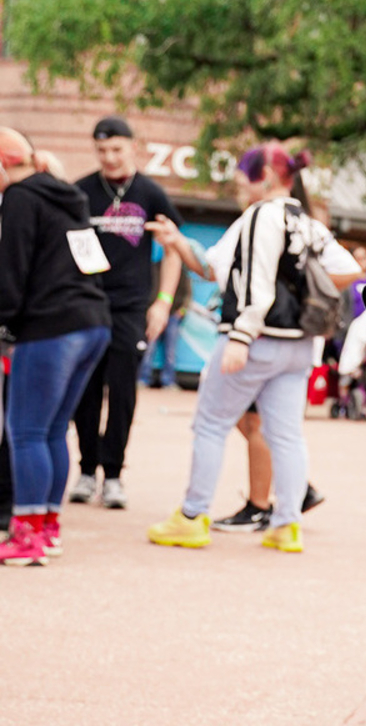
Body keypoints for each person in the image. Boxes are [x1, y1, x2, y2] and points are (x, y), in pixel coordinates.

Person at [144, 142, 359, 553]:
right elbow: (346, 268)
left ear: (263, 176)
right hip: (298, 346)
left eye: (244, 175)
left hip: (254, 340)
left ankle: (192, 517)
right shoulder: (307, 221)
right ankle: (286, 525)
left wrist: (243, 334)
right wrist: (299, 296)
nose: (239, 183)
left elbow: (247, 281)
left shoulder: (260, 216)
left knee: (210, 423)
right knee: (287, 435)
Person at [0, 127, 113, 565]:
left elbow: (11, 273)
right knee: (51, 431)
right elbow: (91, 261)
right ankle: (47, 529)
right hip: (92, 321)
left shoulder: (21, 199)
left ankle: (26, 537)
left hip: (51, 327)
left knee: (26, 430)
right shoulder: (70, 198)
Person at [68, 116, 184, 510]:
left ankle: (113, 474)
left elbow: (172, 249)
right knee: (85, 390)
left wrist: (164, 302)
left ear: (134, 147)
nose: (109, 157)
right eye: (102, 150)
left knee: (121, 392)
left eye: (117, 149)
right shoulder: (81, 191)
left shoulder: (151, 193)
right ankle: (86, 471)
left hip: (131, 307)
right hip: (86, 304)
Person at [139, 262, 189, 389]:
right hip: (155, 314)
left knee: (170, 351)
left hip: (173, 316)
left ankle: (168, 381)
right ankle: (142, 379)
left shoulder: (182, 272)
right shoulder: (153, 268)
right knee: (149, 348)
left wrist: (182, 310)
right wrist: (151, 308)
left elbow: (188, 294)